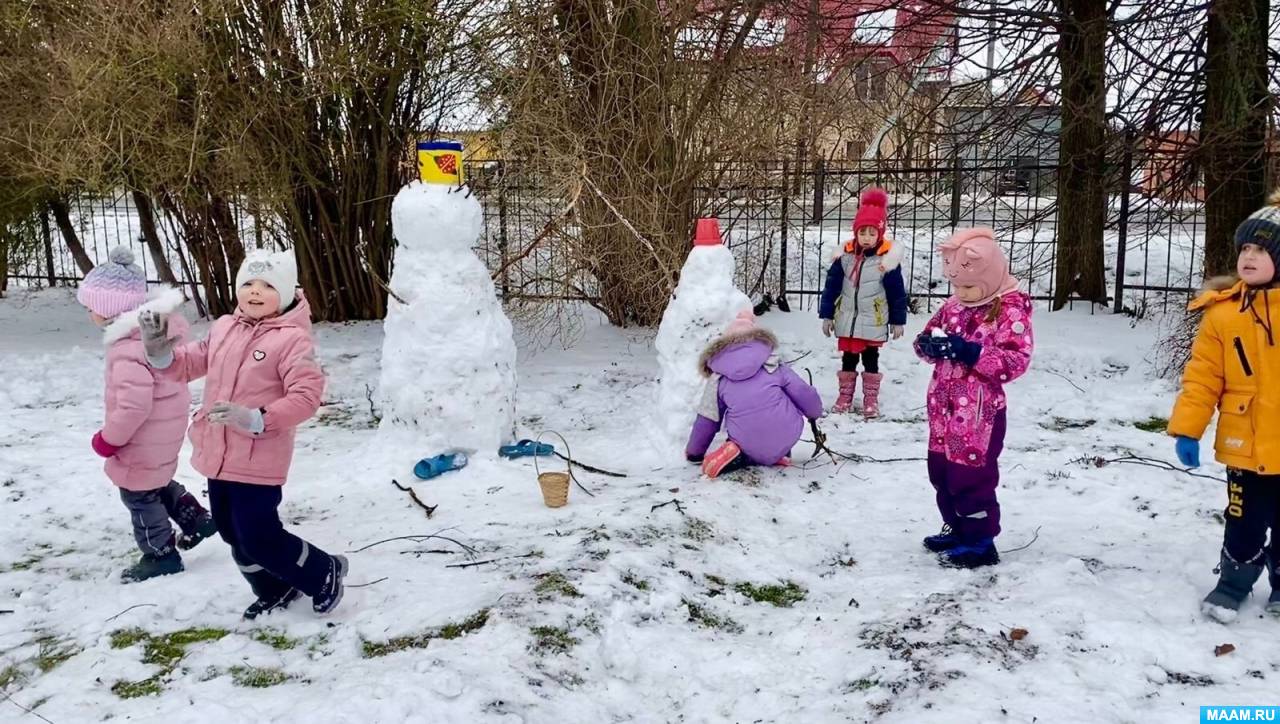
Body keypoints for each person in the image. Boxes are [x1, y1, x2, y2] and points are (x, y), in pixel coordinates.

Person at [140, 250, 346, 618]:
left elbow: (307, 397)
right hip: (218, 452)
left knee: (258, 536)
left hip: (258, 455)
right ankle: (273, 587)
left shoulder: (292, 341)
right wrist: (162, 355)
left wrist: (256, 418)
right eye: (248, 283)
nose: (255, 291)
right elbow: (191, 363)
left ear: (284, 293)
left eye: (267, 285)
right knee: (232, 534)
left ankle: (322, 570)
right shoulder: (224, 328)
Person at [1168, 193, 1280, 622]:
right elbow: (1203, 377)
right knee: (1244, 520)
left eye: (1261, 249)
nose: (1248, 257)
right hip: (1244, 444)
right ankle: (1233, 583)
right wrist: (1188, 428)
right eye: (1244, 248)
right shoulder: (1223, 315)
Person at [78, 247, 216, 583]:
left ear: (110, 310)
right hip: (163, 433)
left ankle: (160, 554)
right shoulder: (154, 337)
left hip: (141, 436)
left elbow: (133, 406)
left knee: (138, 495)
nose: (88, 312)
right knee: (156, 481)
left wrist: (109, 439)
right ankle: (196, 519)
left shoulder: (127, 350)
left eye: (91, 306)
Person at [915, 228, 1033, 568]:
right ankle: (958, 527)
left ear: (990, 276)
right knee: (941, 473)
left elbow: (1014, 361)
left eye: (968, 286)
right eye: (956, 286)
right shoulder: (953, 307)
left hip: (980, 416)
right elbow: (926, 336)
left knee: (971, 478)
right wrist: (928, 345)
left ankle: (981, 541)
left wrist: (970, 352)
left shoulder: (1008, 310)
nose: (961, 293)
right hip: (942, 409)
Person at [686, 310, 824, 478]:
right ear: (758, 340)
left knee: (746, 432)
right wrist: (814, 412)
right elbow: (803, 392)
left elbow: (708, 418)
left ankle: (741, 453)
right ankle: (777, 452)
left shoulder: (718, 378)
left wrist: (695, 453)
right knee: (780, 405)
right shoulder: (773, 365)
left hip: (746, 440)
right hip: (787, 432)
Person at [819, 188, 908, 418]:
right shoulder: (845, 258)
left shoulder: (886, 261)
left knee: (870, 360)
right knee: (848, 359)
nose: (867, 237)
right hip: (848, 319)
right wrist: (827, 314)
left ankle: (870, 399)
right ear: (855, 233)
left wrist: (898, 320)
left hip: (873, 320)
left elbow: (897, 293)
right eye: (863, 232)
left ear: (879, 234)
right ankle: (845, 396)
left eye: (872, 233)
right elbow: (832, 288)